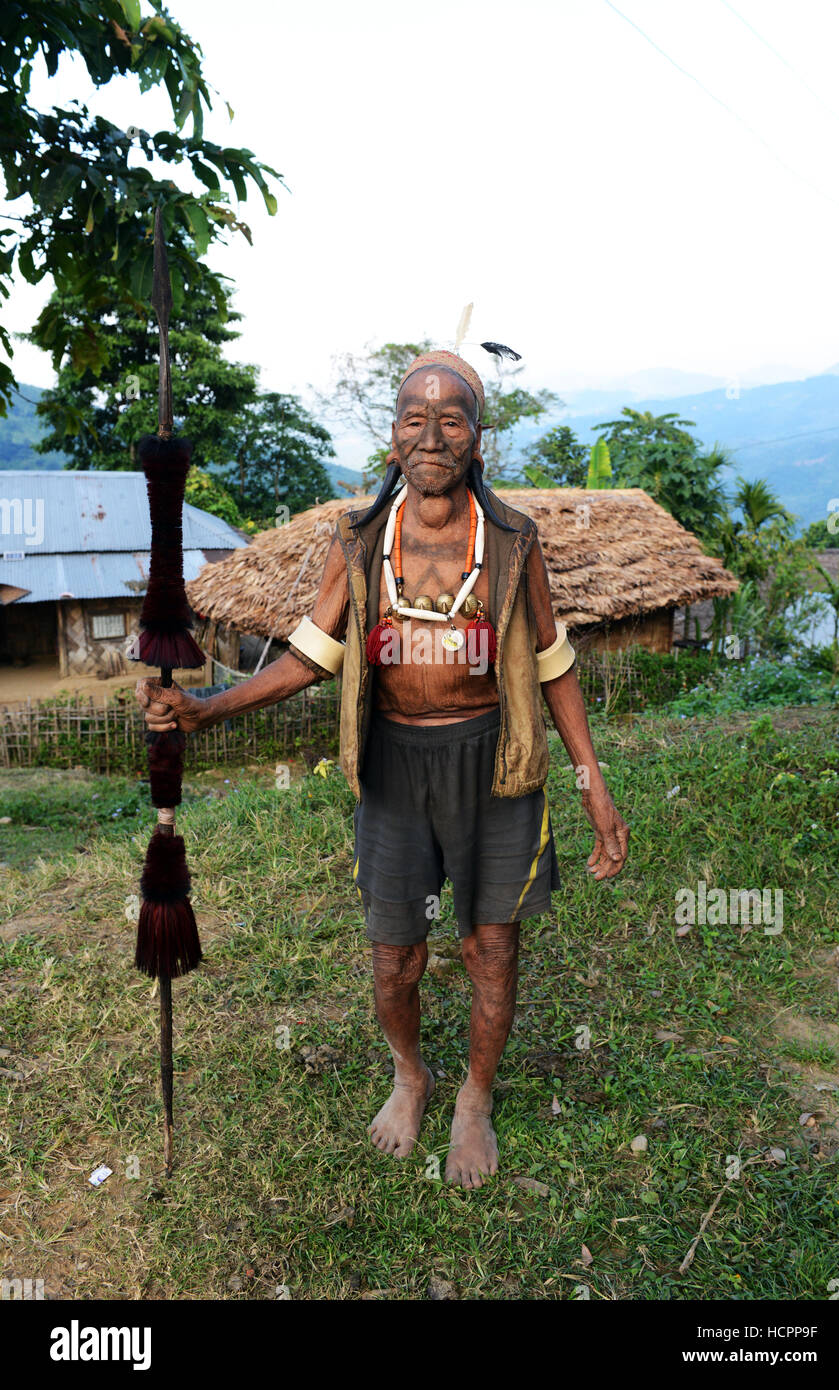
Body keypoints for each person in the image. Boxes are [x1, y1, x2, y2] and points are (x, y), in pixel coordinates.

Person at [136, 349, 629, 1189]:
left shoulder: (510, 543)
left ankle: (473, 1097)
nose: (431, 434)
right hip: (394, 766)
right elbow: (307, 655)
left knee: (490, 949)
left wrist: (595, 787)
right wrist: (207, 708)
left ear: (477, 438)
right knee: (393, 957)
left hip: (494, 769)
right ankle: (411, 1073)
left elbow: (552, 664)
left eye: (451, 418)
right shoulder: (361, 542)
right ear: (392, 437)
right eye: (413, 417)